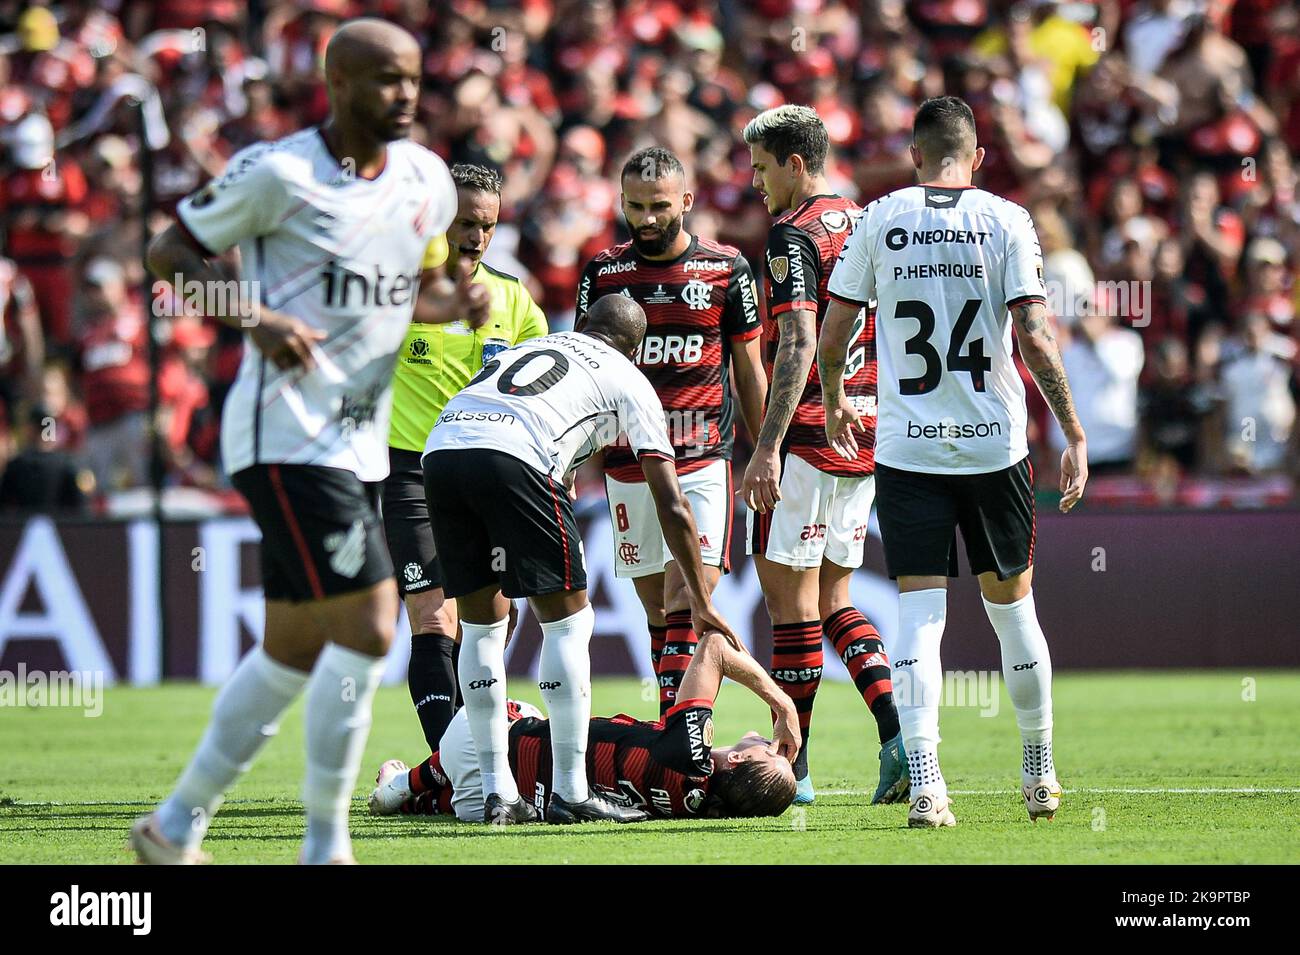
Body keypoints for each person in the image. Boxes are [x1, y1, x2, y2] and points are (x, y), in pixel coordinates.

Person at [131, 18, 487, 865]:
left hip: (359, 444)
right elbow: (167, 253)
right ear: (338, 84)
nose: (405, 93)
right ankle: (326, 847)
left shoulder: (427, 181)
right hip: (285, 433)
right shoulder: (278, 173)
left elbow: (418, 291)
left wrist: (457, 303)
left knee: (292, 647)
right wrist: (252, 317)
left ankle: (174, 825)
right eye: (385, 78)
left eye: (413, 78)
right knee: (371, 621)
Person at [821, 95, 1089, 828]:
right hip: (993, 444)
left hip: (908, 448)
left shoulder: (879, 217)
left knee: (920, 616)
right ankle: (1039, 770)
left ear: (914, 154)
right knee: (1014, 611)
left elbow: (835, 324)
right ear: (977, 157)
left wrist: (837, 396)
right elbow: (1034, 333)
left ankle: (928, 783)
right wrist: (1072, 429)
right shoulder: (1008, 220)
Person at [422, 294, 739, 825]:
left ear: (584, 322)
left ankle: (499, 795)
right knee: (569, 623)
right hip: (516, 455)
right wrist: (702, 600)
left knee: (481, 628)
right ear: (635, 350)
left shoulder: (536, 346)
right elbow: (671, 502)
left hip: (442, 449)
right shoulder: (628, 377)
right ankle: (571, 790)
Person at [739, 105, 907, 806]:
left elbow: (800, 342)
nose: (756, 183)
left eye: (762, 169)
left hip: (809, 436)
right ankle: (898, 734)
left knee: (792, 609)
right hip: (865, 434)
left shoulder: (793, 234)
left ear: (795, 164)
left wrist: (767, 446)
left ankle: (795, 766)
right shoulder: (868, 222)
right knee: (835, 599)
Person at [575, 145, 766, 718]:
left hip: (702, 454)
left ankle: (681, 733)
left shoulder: (727, 268)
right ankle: (672, 725)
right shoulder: (602, 273)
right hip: (629, 459)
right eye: (636, 206)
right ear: (621, 202)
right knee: (657, 606)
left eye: (659, 205)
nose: (648, 218)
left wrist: (767, 450)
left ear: (686, 200)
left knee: (689, 593)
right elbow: (585, 371)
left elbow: (749, 370)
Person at [384, 162, 548, 756]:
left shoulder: (515, 299)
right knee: (433, 619)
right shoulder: (398, 293)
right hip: (411, 473)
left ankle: (471, 754)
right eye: (465, 222)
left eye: (488, 225)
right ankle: (449, 769)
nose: (476, 237)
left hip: (487, 474)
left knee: (489, 622)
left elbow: (544, 393)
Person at [367, 628, 801, 823]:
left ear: (737, 760)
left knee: (520, 714)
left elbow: (714, 647)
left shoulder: (691, 758)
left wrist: (782, 703)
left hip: (485, 753)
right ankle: (417, 798)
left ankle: (407, 782)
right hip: (498, 805)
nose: (772, 744)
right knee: (466, 794)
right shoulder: (702, 807)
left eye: (770, 754)